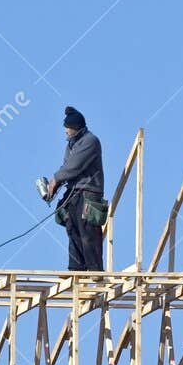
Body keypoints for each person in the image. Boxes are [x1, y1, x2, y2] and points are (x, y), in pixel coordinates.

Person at [43, 106, 105, 272]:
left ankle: (95, 270)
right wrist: (53, 188)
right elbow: (67, 167)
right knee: (72, 229)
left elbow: (74, 166)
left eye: (67, 128)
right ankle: (76, 268)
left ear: (76, 128)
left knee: (88, 232)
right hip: (74, 192)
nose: (65, 131)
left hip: (88, 192)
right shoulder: (72, 144)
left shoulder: (90, 141)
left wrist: (56, 178)